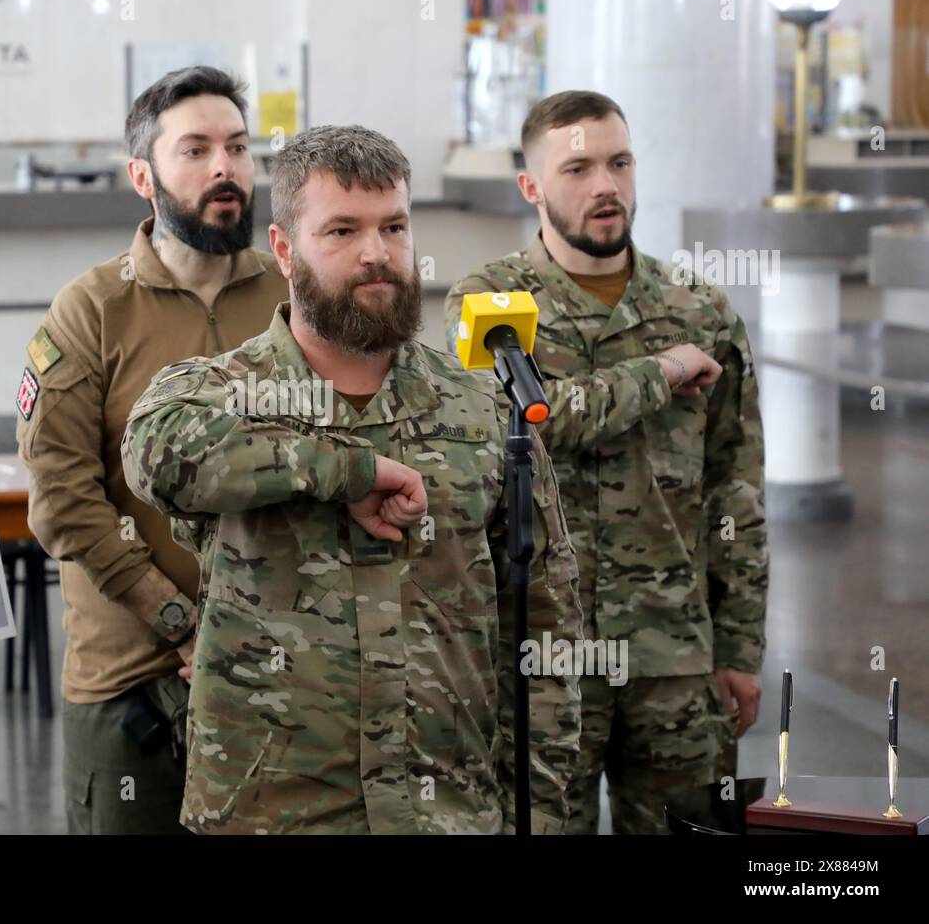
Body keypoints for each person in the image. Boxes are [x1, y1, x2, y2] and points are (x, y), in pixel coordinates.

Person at [122, 124, 583, 834]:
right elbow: (154, 453)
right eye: (341, 231)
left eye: (393, 226)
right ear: (283, 249)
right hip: (271, 816)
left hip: (448, 815)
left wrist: (542, 814)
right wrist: (345, 472)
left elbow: (546, 627)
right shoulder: (222, 392)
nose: (376, 254)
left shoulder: (486, 410)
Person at [445, 90, 768, 834]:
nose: (606, 186)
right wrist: (657, 374)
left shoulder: (700, 311)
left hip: (672, 655)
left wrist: (740, 646)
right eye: (579, 168)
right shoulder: (487, 300)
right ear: (531, 187)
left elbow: (736, 489)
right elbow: (510, 426)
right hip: (539, 660)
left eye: (620, 163)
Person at [15, 66, 289, 834]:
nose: (225, 168)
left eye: (237, 147)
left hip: (281, 669)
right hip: (134, 682)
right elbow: (64, 500)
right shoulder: (91, 311)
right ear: (143, 176)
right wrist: (176, 618)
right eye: (195, 150)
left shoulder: (292, 298)